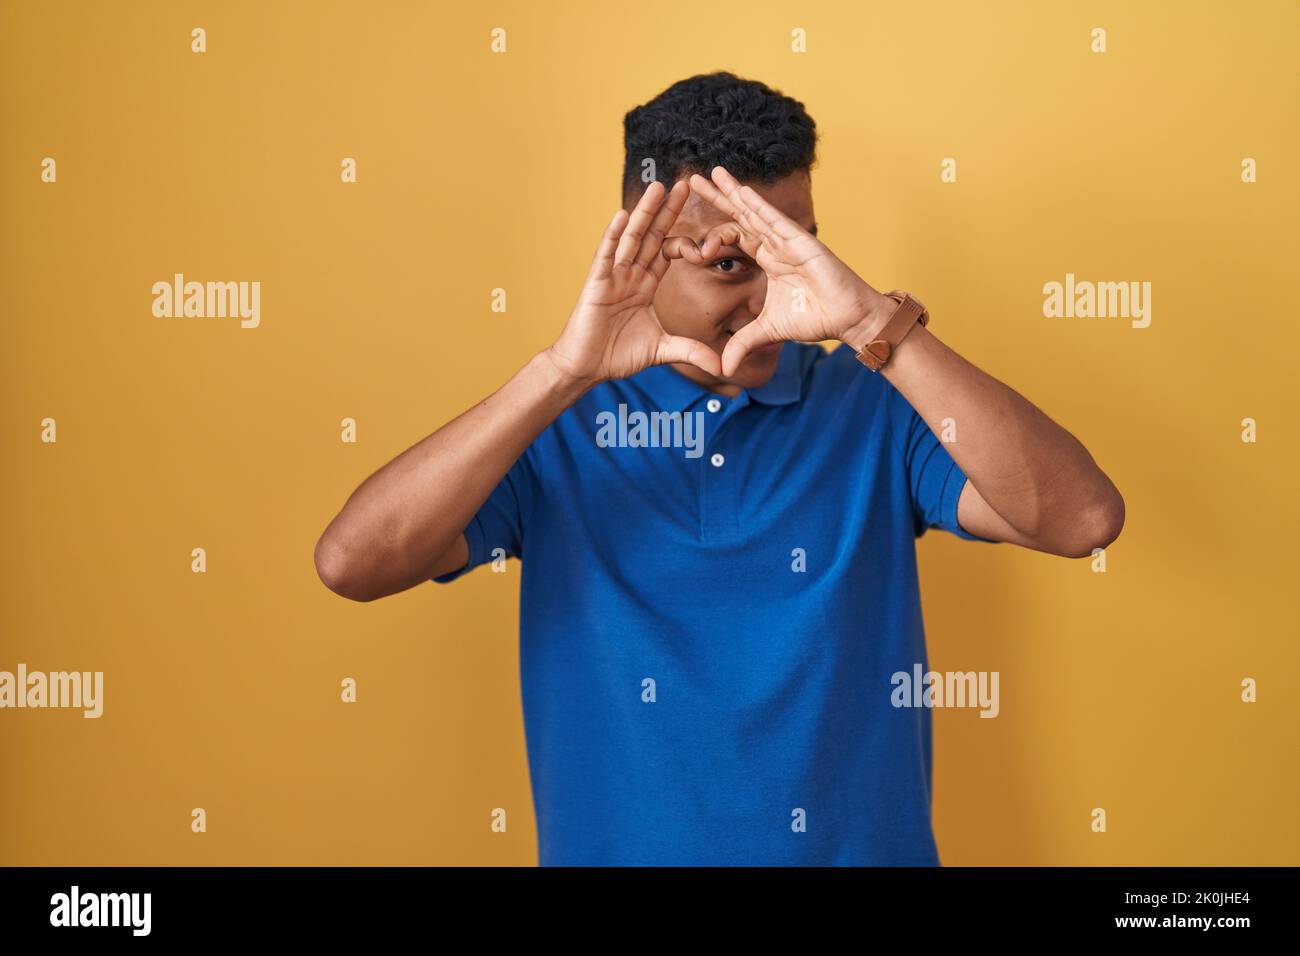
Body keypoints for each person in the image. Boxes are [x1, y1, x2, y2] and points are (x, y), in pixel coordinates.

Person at [313, 71, 1124, 865]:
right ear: (641, 247)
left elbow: (1082, 521)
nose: (776, 296)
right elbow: (353, 563)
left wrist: (876, 323)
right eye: (732, 264)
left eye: (794, 248)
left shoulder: (878, 405)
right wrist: (562, 372)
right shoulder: (554, 432)